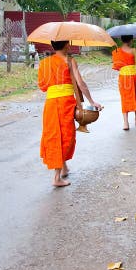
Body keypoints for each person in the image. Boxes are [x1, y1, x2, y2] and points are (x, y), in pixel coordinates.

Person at [38, 40, 102, 187]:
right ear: (67, 45)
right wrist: (92, 102)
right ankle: (56, 178)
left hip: (50, 104)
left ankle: (63, 166)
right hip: (65, 103)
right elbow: (80, 84)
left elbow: (42, 86)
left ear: (52, 46)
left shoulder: (44, 63)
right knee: (65, 136)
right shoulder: (70, 61)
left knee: (53, 134)